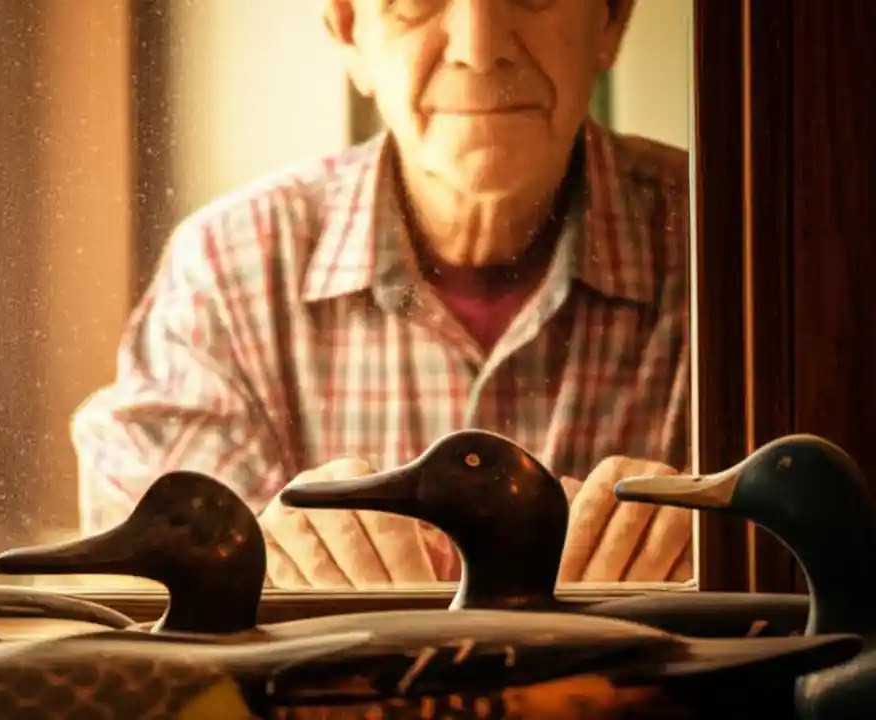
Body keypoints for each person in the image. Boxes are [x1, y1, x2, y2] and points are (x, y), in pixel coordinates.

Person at [70, 0, 693, 587]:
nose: (479, 49)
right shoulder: (230, 271)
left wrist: (735, 543)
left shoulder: (735, 249)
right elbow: (137, 586)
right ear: (349, 29)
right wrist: (263, 558)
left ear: (611, 20)